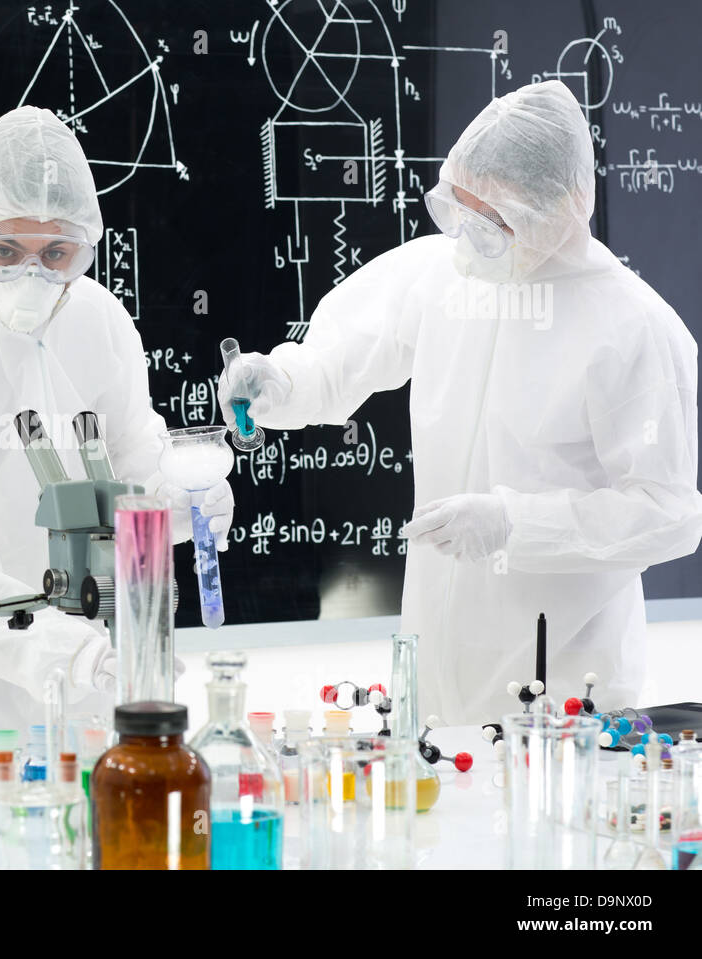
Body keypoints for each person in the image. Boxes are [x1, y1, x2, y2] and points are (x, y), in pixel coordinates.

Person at [220, 80, 702, 724]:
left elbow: (668, 514)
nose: (472, 238)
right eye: (462, 211)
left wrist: (515, 524)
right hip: (436, 677)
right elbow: (335, 365)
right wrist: (279, 382)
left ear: (560, 208)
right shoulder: (441, 274)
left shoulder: (633, 327)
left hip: (567, 690)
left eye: (494, 219)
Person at [0, 106, 233, 764]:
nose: (34, 274)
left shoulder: (98, 320)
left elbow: (135, 466)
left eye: (57, 252)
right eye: (4, 251)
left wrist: (181, 500)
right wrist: (74, 655)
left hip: (79, 683)